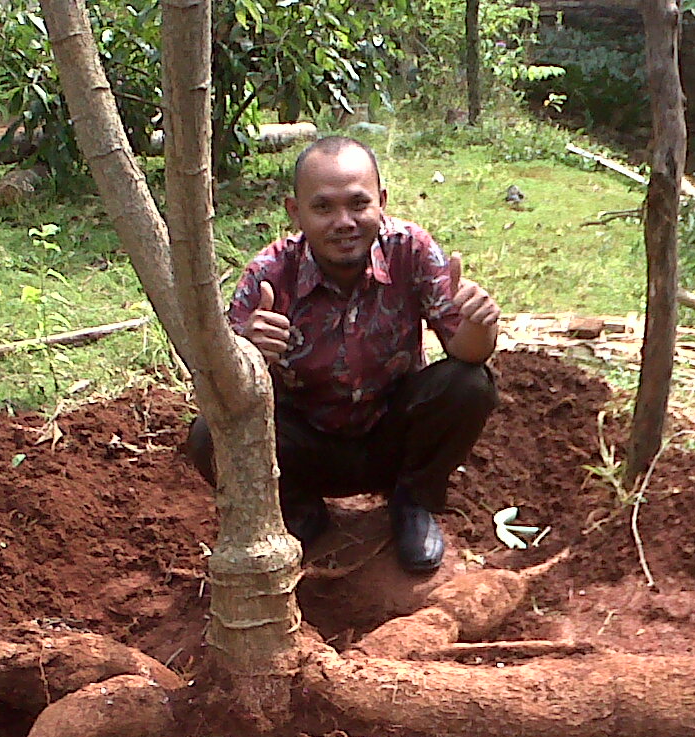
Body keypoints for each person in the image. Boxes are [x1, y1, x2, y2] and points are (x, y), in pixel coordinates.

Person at [186, 136, 501, 573]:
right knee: (208, 433)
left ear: (382, 201)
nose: (344, 222)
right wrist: (248, 352)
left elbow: (467, 352)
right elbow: (223, 389)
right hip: (306, 445)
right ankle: (299, 512)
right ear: (295, 212)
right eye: (323, 208)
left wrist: (479, 325)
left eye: (358, 204)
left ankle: (413, 501)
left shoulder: (411, 250)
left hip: (392, 433)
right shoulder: (269, 275)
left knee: (470, 384)